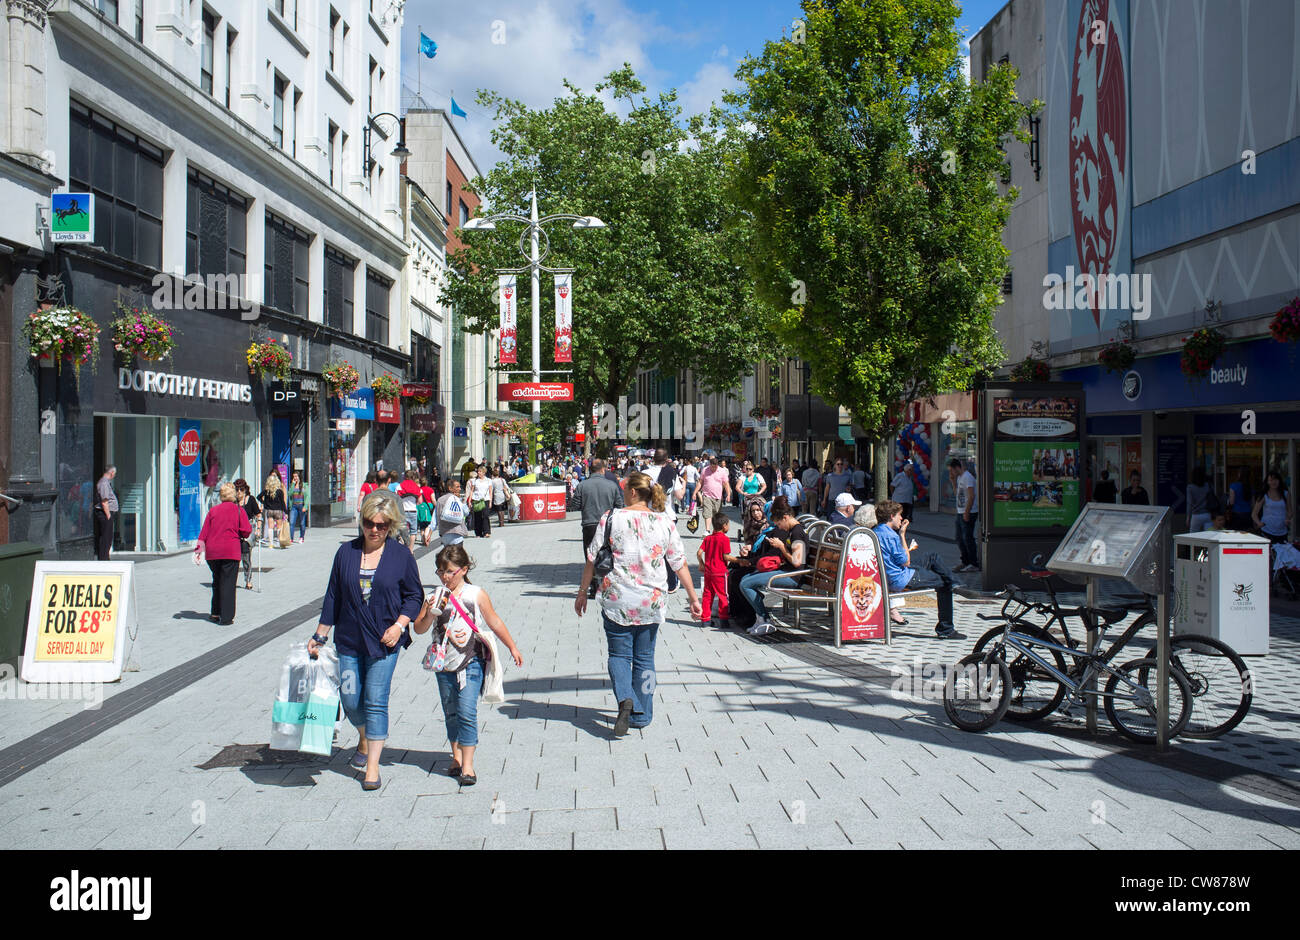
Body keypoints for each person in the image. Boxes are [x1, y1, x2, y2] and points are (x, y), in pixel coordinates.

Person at [308, 489, 422, 791]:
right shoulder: (346, 553)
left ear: (392, 526)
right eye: (370, 523)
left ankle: (372, 767)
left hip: (385, 642)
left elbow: (414, 596)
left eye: (382, 525)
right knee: (350, 701)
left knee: (374, 701)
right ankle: (364, 736)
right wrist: (320, 634)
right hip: (348, 640)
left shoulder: (401, 556)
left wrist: (399, 625)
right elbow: (333, 595)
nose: (374, 530)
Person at [575, 472, 702, 736]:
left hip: (617, 598)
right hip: (651, 600)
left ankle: (625, 698)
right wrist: (693, 597)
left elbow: (591, 557)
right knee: (645, 658)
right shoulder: (664, 522)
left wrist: (582, 592)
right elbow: (679, 562)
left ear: (633, 492)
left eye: (624, 489)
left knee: (619, 655)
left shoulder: (611, 518)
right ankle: (642, 713)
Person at [411, 544, 523, 786]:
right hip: (443, 663)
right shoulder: (433, 596)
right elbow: (418, 629)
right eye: (440, 571)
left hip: (471, 660)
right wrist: (430, 614)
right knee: (450, 712)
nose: (444, 576)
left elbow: (494, 621)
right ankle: (456, 756)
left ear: (463, 570)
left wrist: (512, 646)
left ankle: (468, 766)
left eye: (449, 571)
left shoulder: (475, 594)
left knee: (466, 711)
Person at [874, 498, 963, 639]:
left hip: (890, 573)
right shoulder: (891, 535)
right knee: (944, 583)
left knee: (932, 557)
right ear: (891, 516)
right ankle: (946, 629)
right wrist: (902, 535)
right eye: (899, 515)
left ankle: (955, 582)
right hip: (900, 578)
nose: (901, 518)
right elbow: (906, 562)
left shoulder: (876, 531)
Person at [736, 503, 808, 636]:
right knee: (745, 579)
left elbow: (797, 562)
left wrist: (781, 547)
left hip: (793, 576)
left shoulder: (797, 532)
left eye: (779, 523)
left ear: (785, 517)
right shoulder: (792, 530)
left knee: (745, 584)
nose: (779, 527)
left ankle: (765, 619)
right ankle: (760, 617)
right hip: (787, 572)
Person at [193, 482, 251, 625]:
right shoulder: (239, 511)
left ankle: (215, 612)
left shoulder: (213, 511)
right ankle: (226, 617)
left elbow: (204, 531)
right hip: (230, 551)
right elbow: (246, 530)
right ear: (234, 495)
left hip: (213, 553)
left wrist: (198, 551)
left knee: (217, 581)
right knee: (228, 584)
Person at [573, 458, 625, 598]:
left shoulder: (582, 485)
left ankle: (594, 587)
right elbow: (620, 505)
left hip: (589, 524)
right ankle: (606, 585)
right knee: (608, 554)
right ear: (603, 470)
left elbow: (574, 505)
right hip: (608, 524)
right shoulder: (611, 485)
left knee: (590, 556)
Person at [697, 512, 735, 627]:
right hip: (720, 573)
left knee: (707, 595)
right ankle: (724, 620)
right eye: (728, 524)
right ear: (724, 526)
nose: (729, 527)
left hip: (708, 572)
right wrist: (739, 561)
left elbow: (699, 552)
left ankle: (705, 620)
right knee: (723, 595)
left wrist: (701, 564)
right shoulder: (725, 539)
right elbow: (726, 556)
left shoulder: (708, 539)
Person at [950, 458, 980, 572]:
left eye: (952, 470)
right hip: (960, 511)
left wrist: (967, 512)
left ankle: (973, 563)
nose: (951, 473)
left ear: (957, 468)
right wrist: (953, 481)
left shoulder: (967, 477)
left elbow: (971, 496)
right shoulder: (959, 478)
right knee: (959, 537)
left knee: (967, 538)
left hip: (969, 511)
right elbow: (958, 493)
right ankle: (965, 561)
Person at [233, 479, 260, 590]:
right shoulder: (233, 502)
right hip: (235, 532)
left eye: (241, 489)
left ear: (245, 490)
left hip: (247, 532)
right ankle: (231, 580)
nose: (239, 492)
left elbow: (258, 514)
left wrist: (258, 528)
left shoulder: (250, 500)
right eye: (237, 489)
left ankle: (248, 579)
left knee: (246, 555)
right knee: (233, 558)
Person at [1252, 471, 1292, 544]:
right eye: (1271, 480)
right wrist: (1259, 523)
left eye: (1275, 479)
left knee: (1283, 553)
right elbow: (1254, 514)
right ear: (1267, 482)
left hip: (1282, 531)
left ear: (1279, 480)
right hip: (1267, 530)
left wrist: (1288, 519)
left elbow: (1290, 511)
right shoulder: (1264, 495)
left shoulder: (1286, 493)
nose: (1273, 482)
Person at [696, 456, 732, 532]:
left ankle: (715, 530)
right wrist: (695, 492)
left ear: (717, 465)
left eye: (715, 467)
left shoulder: (722, 471)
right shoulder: (705, 470)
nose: (713, 469)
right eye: (712, 467)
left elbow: (726, 484)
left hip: (718, 496)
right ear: (710, 464)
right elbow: (700, 482)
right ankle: (707, 530)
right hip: (707, 495)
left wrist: (728, 494)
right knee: (707, 512)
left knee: (716, 515)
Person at [94, 464, 118, 561]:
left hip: (106, 513)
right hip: (105, 513)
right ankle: (103, 558)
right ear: (111, 473)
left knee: (107, 537)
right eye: (114, 473)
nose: (114, 475)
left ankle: (105, 557)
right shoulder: (104, 483)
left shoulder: (105, 482)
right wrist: (108, 515)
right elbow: (104, 502)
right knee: (106, 537)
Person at [436, 479, 470, 546]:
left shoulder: (440, 500)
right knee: (457, 555)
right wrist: (462, 502)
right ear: (450, 488)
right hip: (457, 532)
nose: (460, 489)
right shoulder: (457, 500)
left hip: (444, 533)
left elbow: (437, 516)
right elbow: (466, 512)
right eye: (457, 487)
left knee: (447, 555)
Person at [260, 472, 288, 546]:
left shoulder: (267, 491)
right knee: (279, 527)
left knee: (270, 527)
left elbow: (258, 496)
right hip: (278, 510)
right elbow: (282, 502)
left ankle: (271, 544)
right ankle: (280, 542)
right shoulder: (279, 491)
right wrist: (286, 512)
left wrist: (264, 503)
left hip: (269, 510)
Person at [1185, 466, 1214, 534]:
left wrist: (1188, 517)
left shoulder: (1190, 487)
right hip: (1207, 514)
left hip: (1196, 515)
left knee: (1193, 536)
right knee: (1208, 536)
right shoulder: (1208, 485)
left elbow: (1189, 503)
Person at [466, 465, 493, 538]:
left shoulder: (489, 480)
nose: (478, 473)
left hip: (485, 500)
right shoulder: (475, 481)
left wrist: (490, 501)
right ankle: (478, 533)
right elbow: (472, 491)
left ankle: (486, 532)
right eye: (478, 471)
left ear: (484, 472)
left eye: (480, 471)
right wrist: (469, 501)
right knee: (477, 517)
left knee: (485, 516)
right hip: (476, 500)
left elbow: (490, 491)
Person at [397, 470, 422, 539]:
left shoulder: (400, 486)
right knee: (413, 532)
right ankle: (410, 549)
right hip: (413, 511)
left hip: (402, 511)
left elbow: (396, 499)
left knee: (401, 530)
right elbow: (420, 501)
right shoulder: (416, 487)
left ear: (404, 476)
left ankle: (403, 546)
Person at [288, 470, 308, 543]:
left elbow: (307, 496)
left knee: (302, 523)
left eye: (296, 476)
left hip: (301, 505)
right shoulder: (292, 485)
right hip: (294, 506)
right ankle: (291, 538)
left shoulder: (305, 485)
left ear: (299, 477)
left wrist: (305, 506)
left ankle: (301, 537)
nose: (295, 478)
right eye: (293, 477)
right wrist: (293, 485)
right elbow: (289, 494)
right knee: (292, 522)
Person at [418, 475, 437, 546]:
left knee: (422, 525)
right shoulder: (430, 490)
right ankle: (426, 536)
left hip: (420, 507)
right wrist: (436, 506)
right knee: (428, 524)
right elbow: (433, 500)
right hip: (428, 508)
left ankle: (423, 539)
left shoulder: (419, 489)